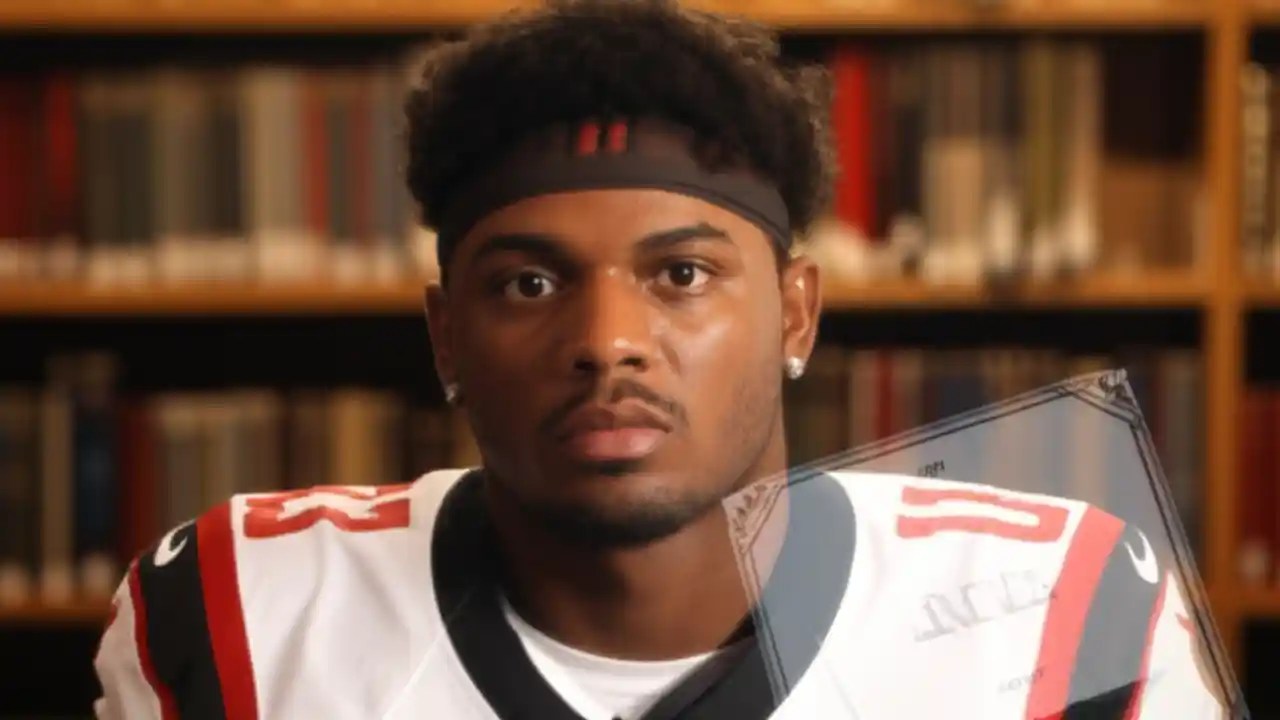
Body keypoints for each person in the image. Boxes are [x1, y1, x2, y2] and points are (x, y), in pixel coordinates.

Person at [92, 1, 1237, 718]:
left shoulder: (1057, 618)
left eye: (679, 275)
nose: (604, 344)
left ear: (795, 315)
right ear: (445, 334)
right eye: (527, 283)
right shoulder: (237, 615)